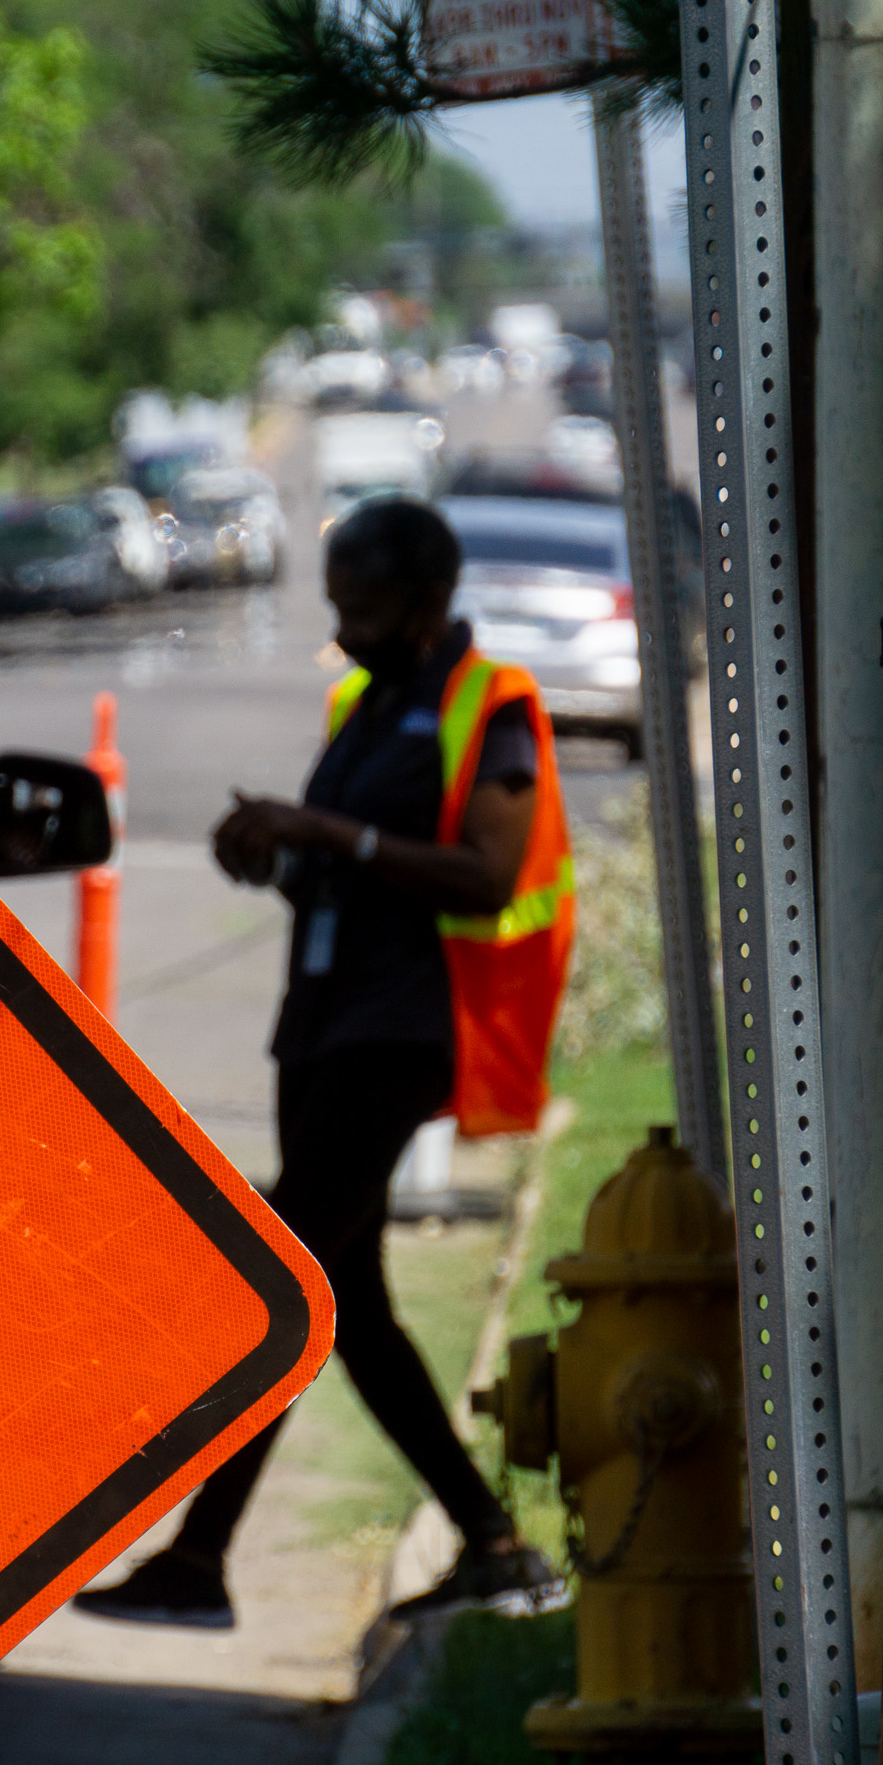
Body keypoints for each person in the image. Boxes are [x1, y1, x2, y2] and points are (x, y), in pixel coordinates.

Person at [78, 497, 575, 1629]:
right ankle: (492, 1539)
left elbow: (486, 875)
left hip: (401, 1030)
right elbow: (344, 861)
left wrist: (331, 836)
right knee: (350, 1299)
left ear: (430, 600)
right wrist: (274, 848)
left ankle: (200, 1558)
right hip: (323, 1019)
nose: (346, 626)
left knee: (278, 1278)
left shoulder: (487, 705)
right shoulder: (366, 698)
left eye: (367, 604)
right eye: (338, 603)